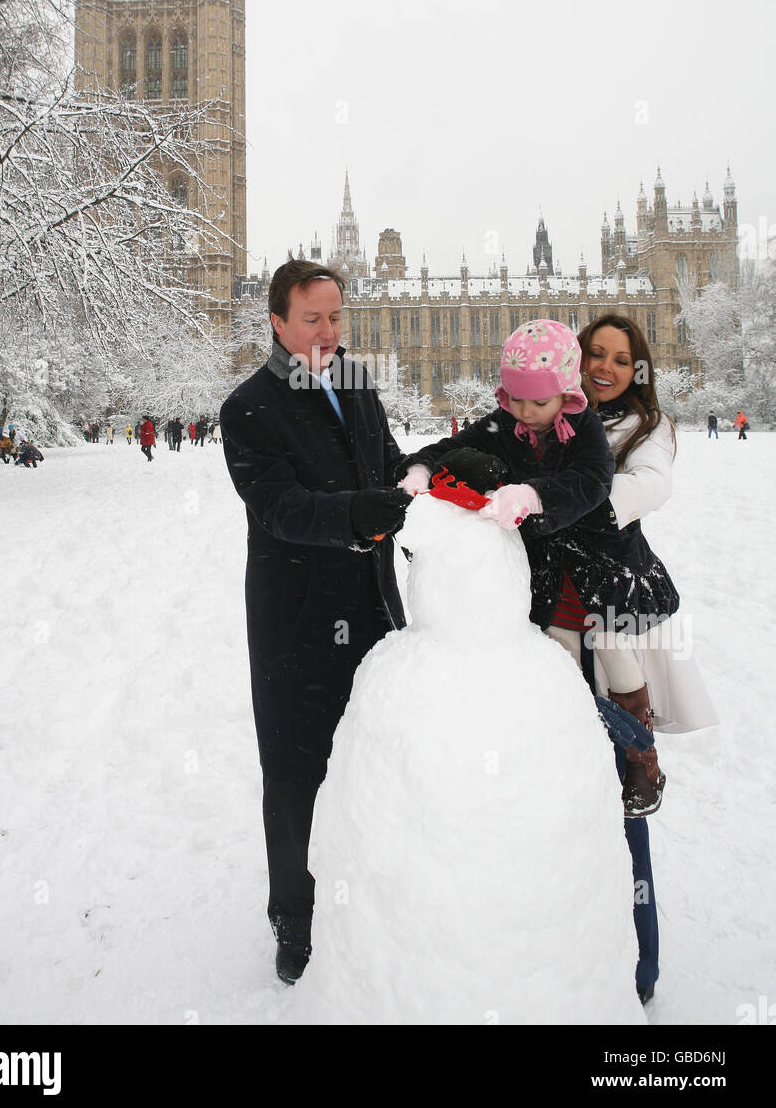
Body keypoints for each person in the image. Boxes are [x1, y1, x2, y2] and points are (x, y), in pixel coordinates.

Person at [399, 319, 678, 819]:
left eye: (538, 403)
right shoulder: (508, 422)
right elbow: (447, 448)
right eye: (517, 401)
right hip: (549, 570)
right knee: (559, 655)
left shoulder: (586, 426)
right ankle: (575, 751)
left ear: (567, 394)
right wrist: (420, 469)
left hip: (602, 563)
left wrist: (533, 496)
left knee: (615, 647)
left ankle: (642, 755)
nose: (526, 413)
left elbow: (594, 481)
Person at [221, 259, 410, 986]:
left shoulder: (356, 382)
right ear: (277, 321)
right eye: (312, 320)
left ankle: (359, 886)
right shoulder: (249, 407)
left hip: (370, 605)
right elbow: (280, 508)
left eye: (336, 317)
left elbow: (387, 467)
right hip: (297, 621)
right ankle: (294, 916)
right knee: (297, 768)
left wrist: (438, 472)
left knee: (365, 751)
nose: (328, 333)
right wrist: (355, 516)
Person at [576, 313, 718, 1003]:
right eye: (595, 354)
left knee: (624, 800)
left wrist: (579, 504)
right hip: (551, 616)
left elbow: (652, 482)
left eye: (620, 359)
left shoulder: (646, 428)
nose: (606, 367)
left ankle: (642, 965)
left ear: (638, 370)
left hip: (611, 612)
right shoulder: (553, 414)